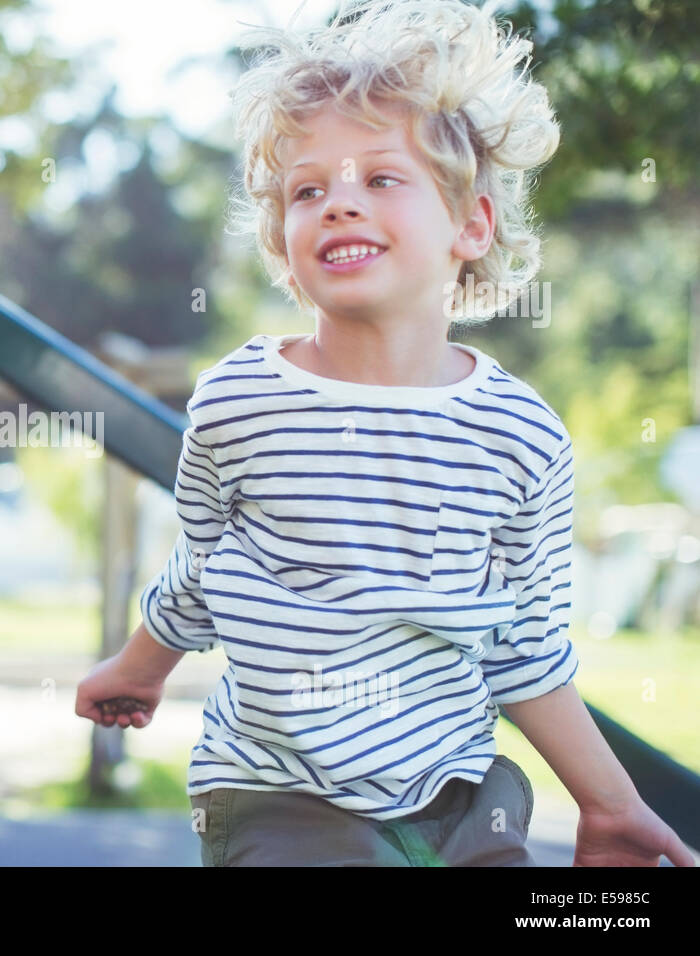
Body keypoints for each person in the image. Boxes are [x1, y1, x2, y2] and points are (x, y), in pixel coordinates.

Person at [75, 0, 695, 867]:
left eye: (380, 177)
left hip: (459, 794)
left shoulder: (521, 437)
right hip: (276, 794)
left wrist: (610, 803)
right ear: (284, 246)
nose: (339, 205)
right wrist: (140, 665)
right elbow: (203, 567)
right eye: (308, 190)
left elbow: (526, 647)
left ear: (471, 225)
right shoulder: (242, 401)